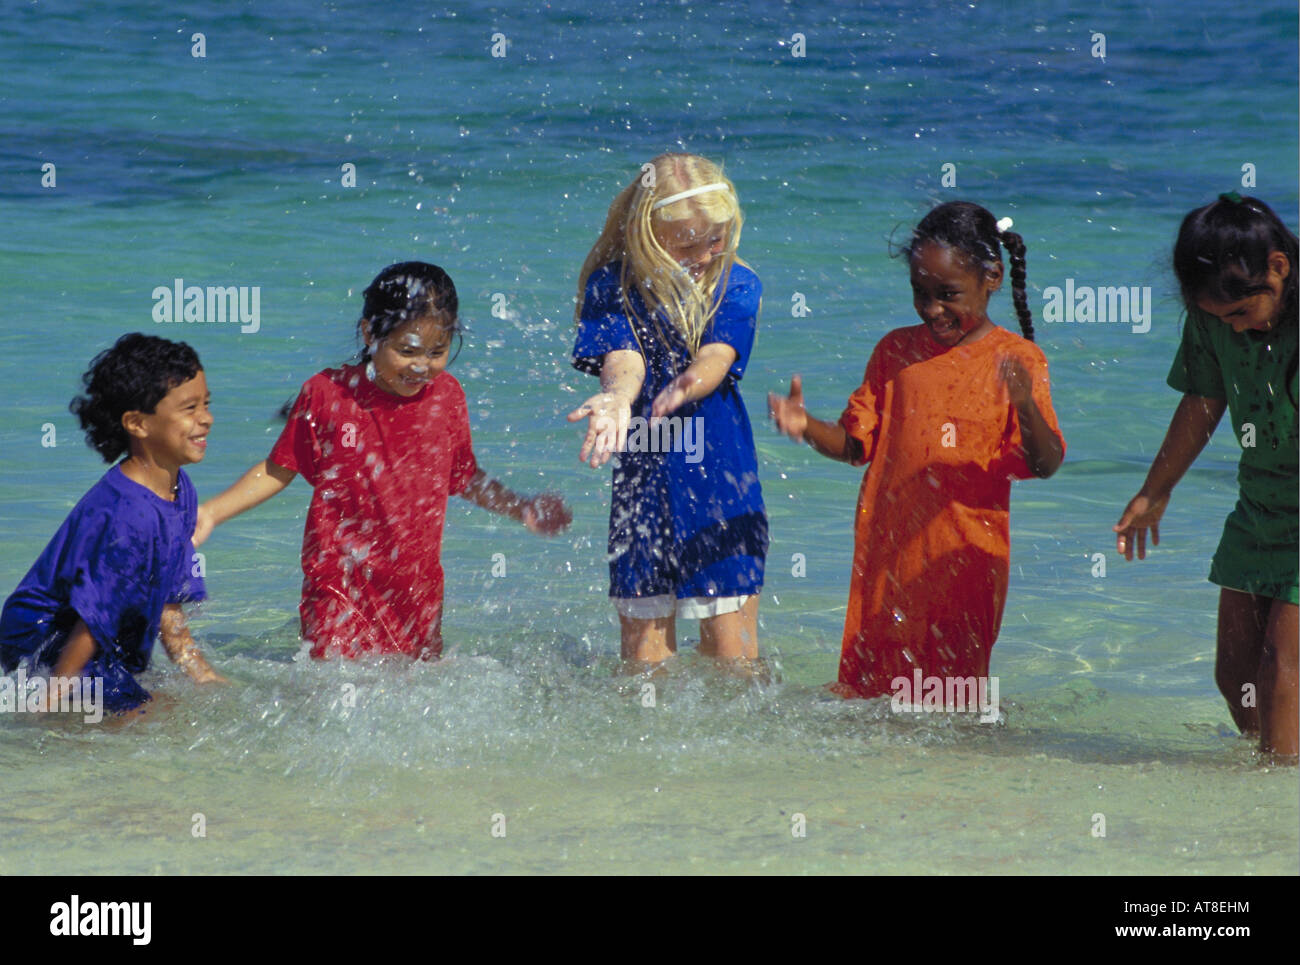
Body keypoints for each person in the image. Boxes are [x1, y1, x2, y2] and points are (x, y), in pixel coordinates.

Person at [195, 261, 570, 660]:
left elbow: (463, 477)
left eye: (437, 351)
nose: (422, 366)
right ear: (369, 333)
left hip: (415, 590)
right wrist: (213, 512)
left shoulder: (447, 398)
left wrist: (520, 507)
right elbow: (278, 468)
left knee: (411, 696)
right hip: (340, 582)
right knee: (330, 691)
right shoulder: (327, 394)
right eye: (407, 351)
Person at [769, 201, 1064, 701]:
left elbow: (1046, 462)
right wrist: (807, 427)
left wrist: (1025, 406)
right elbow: (856, 444)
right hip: (889, 557)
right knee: (874, 699)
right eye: (919, 294)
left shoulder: (1017, 359)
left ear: (991, 277)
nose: (931, 309)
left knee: (953, 703)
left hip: (965, 560)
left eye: (947, 295)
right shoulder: (894, 352)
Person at [1114, 193, 1298, 758]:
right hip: (1259, 508)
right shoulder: (1215, 316)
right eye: (1219, 320)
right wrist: (1155, 490)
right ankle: (1267, 772)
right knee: (1236, 676)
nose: (1233, 331)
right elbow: (1203, 399)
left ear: (1278, 268)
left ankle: (1275, 800)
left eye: (1239, 314)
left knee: (1280, 671)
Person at [567, 153, 767, 664]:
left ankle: (746, 745)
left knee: (734, 659)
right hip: (644, 489)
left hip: (721, 484)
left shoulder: (736, 283)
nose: (703, 254)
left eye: (714, 239)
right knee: (643, 663)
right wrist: (615, 397)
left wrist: (687, 384)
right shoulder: (612, 286)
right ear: (646, 233)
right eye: (685, 243)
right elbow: (625, 358)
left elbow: (718, 355)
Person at [0, 333, 225, 714]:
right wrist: (49, 704)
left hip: (85, 633)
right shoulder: (128, 515)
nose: (206, 418)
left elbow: (169, 599)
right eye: (189, 408)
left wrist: (199, 671)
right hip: (43, 639)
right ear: (137, 424)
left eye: (206, 403)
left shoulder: (179, 488)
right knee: (148, 718)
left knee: (161, 704)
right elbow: (91, 620)